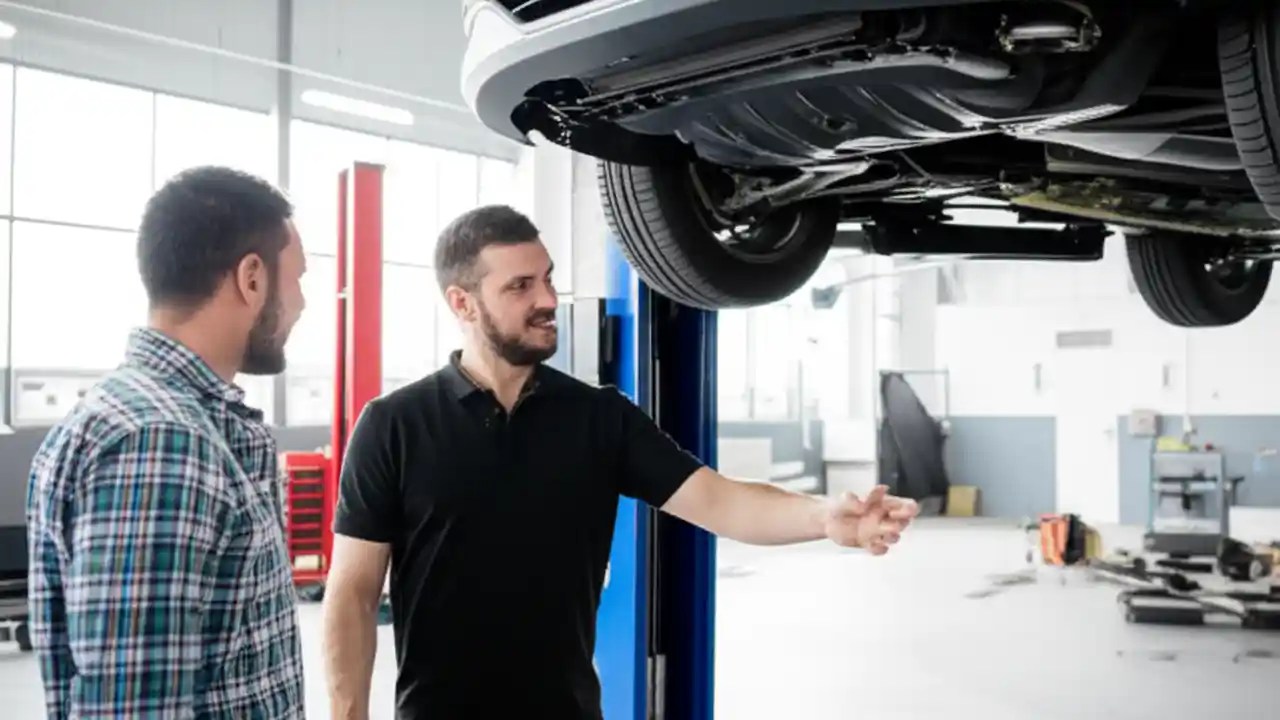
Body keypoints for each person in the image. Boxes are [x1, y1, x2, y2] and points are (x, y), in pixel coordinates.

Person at [322, 204, 918, 720]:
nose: (547, 300)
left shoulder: (598, 419)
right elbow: (351, 593)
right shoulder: (394, 425)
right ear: (462, 303)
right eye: (519, 286)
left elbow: (720, 501)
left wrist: (825, 519)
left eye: (548, 280)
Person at [25, 166, 309, 719]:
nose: (302, 303)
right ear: (252, 278)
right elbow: (135, 709)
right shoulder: (160, 442)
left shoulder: (170, 421)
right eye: (297, 279)